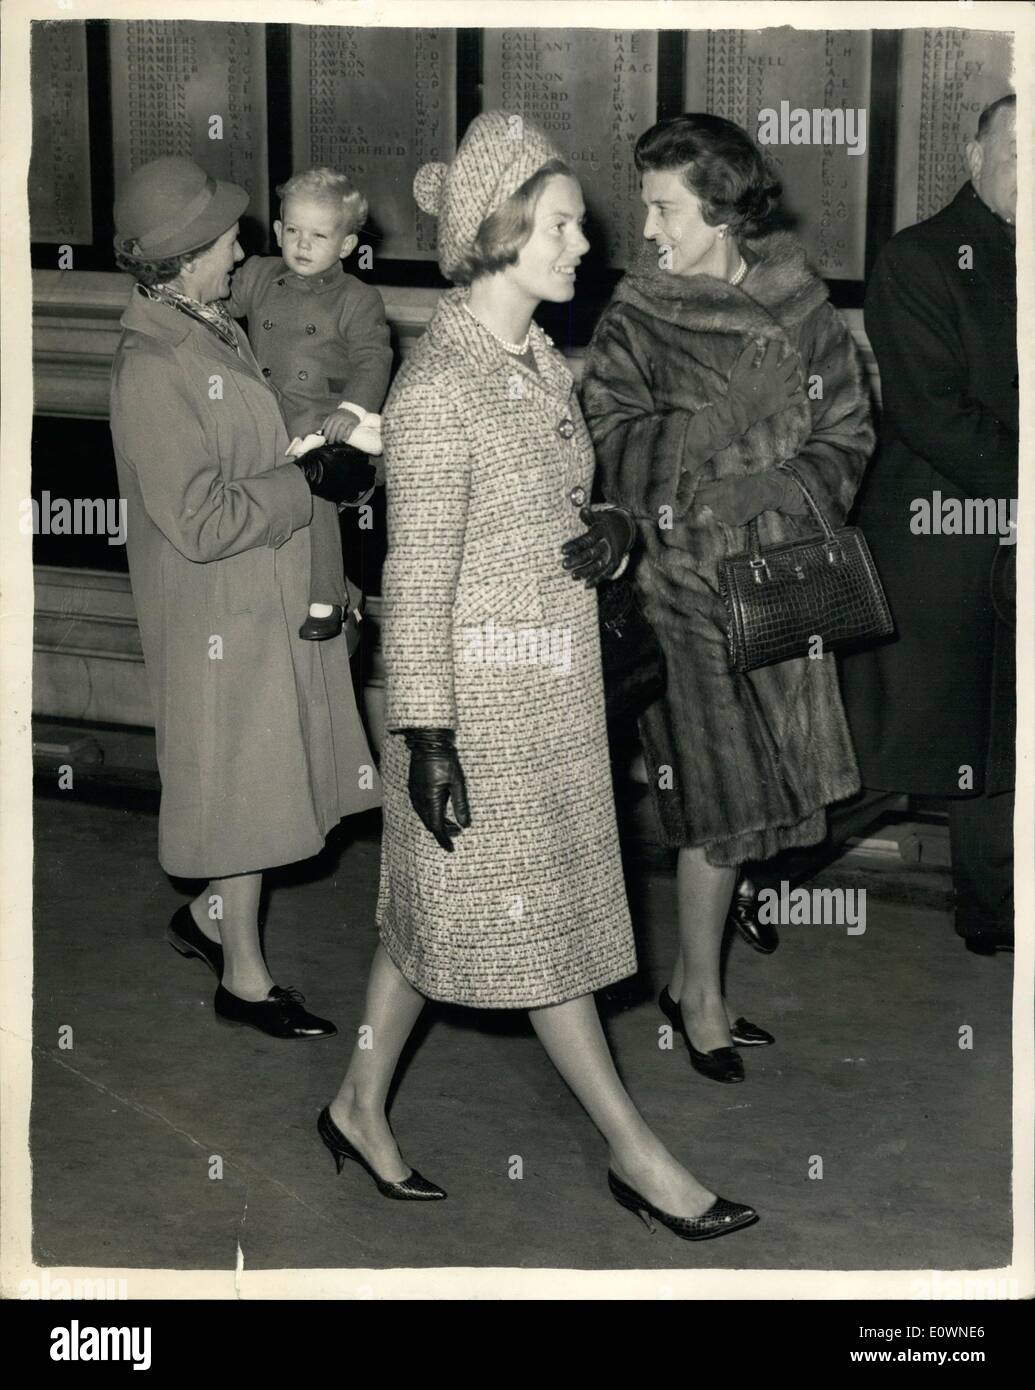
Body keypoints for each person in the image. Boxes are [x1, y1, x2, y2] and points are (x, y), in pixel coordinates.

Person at [316, 112, 758, 1243]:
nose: (583, 246)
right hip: (479, 710)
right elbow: (414, 580)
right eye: (562, 226)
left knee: (430, 916)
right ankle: (638, 1153)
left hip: (554, 695)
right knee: (543, 932)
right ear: (503, 232)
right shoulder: (438, 388)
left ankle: (358, 1101)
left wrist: (610, 528)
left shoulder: (536, 362)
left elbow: (557, 500)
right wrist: (426, 738)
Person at [582, 115, 873, 1083]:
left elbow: (848, 428)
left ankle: (693, 980)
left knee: (775, 797)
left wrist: (779, 490)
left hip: (779, 575)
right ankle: (698, 993)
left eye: (664, 205)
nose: (648, 226)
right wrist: (722, 430)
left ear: (719, 210)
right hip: (681, 585)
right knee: (723, 800)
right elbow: (609, 441)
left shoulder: (798, 299)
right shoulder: (636, 313)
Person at [110, 156, 382, 1039]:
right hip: (213, 612)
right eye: (227, 236)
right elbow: (195, 519)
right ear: (188, 254)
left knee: (256, 782)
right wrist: (303, 482)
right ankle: (244, 979)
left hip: (260, 594)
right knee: (237, 784)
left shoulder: (212, 322)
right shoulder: (153, 363)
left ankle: (210, 922)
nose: (243, 247)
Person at [840, 94, 1017, 956]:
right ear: (972, 154)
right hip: (937, 548)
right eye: (1016, 152)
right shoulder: (918, 260)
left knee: (1005, 746)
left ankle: (993, 917)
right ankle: (746, 875)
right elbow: (934, 414)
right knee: (891, 755)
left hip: (1007, 543)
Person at [228, 167, 393, 643]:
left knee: (313, 486)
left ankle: (327, 596)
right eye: (293, 231)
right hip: (261, 416)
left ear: (345, 245)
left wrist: (353, 410)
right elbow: (218, 304)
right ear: (278, 230)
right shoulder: (258, 274)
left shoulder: (357, 299)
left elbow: (372, 359)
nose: (302, 244)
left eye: (319, 235)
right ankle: (342, 593)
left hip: (319, 420)